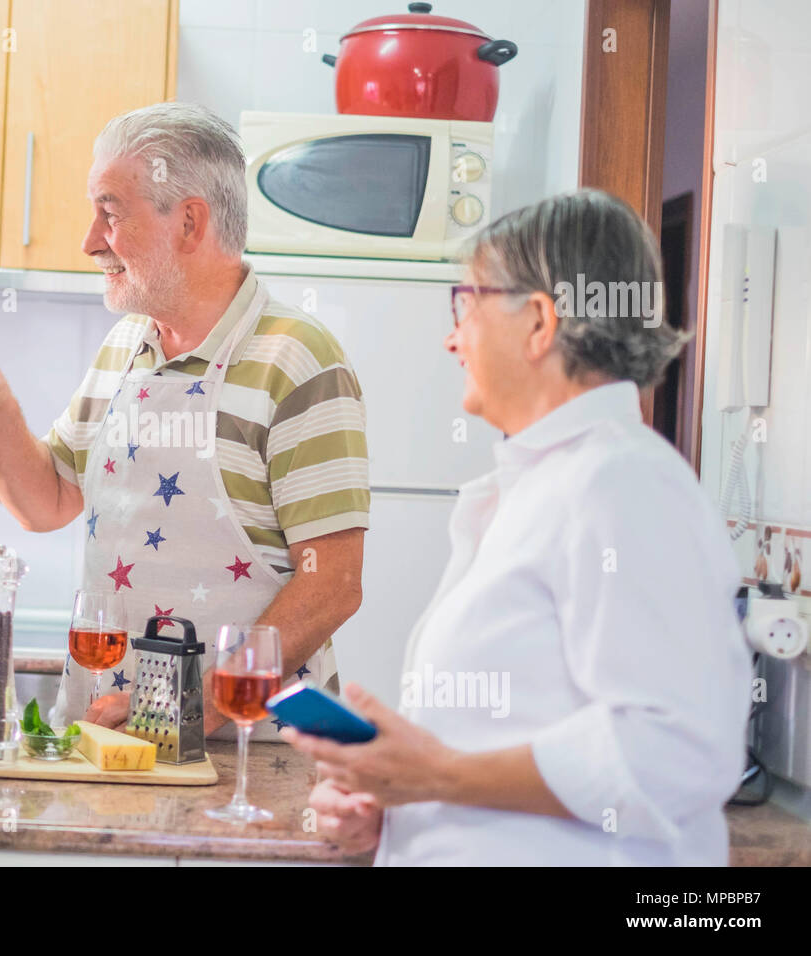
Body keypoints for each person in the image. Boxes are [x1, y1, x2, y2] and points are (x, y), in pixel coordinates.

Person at [285, 190, 752, 864]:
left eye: (465, 304)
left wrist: (434, 774)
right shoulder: (545, 484)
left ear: (539, 322)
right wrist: (395, 811)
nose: (451, 336)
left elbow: (678, 750)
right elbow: (507, 743)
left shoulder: (624, 483)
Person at [0, 103, 369, 739]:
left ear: (189, 222)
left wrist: (198, 710)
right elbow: (47, 502)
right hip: (106, 740)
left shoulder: (297, 361)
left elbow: (334, 585)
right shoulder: (127, 345)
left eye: (110, 213)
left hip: (249, 757)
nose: (89, 241)